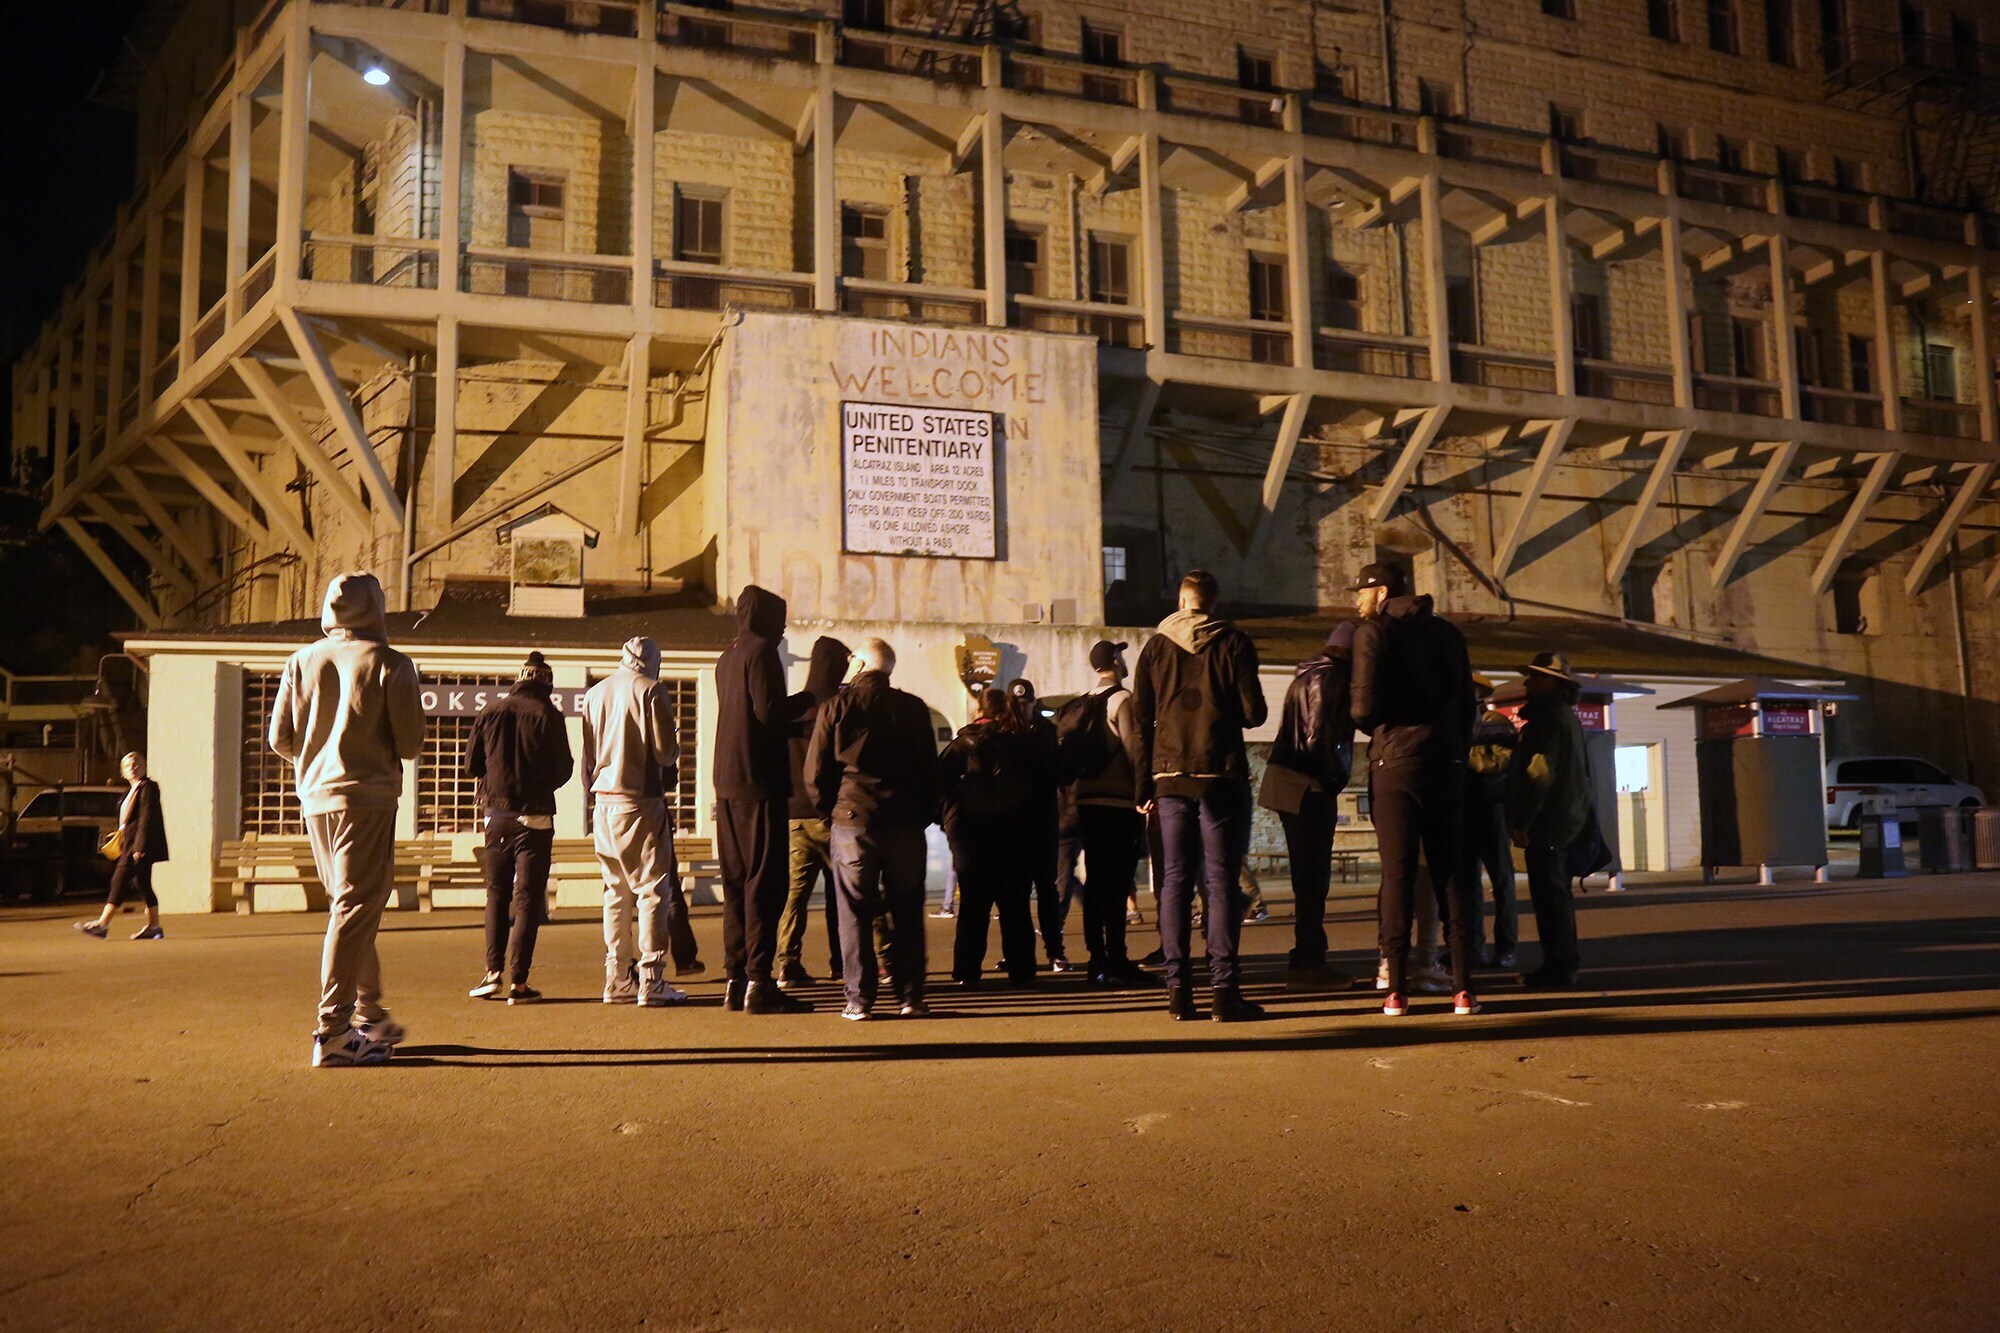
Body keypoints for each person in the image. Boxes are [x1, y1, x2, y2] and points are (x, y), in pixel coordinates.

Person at [268, 572, 423, 1068]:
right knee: (356, 908)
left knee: (349, 907)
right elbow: (412, 744)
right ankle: (333, 1031)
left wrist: (313, 761)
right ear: (376, 606)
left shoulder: (302, 659)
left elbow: (279, 738)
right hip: (368, 795)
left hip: (316, 797)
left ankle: (371, 1014)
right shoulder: (391, 663)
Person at [1133, 570, 1268, 1023]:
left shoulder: (1155, 647)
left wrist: (1142, 783)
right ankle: (1224, 991)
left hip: (1168, 776)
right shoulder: (1233, 642)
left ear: (1181, 600)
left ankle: (1178, 993)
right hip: (1220, 776)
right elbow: (1254, 712)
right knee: (1220, 883)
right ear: (1213, 602)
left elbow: (1140, 719)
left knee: (1173, 882)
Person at [1349, 562, 1481, 1018]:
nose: (1357, 601)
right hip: (1445, 762)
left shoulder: (1373, 632)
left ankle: (1397, 990)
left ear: (1382, 592)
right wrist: (1455, 753)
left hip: (1395, 763)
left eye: (1362, 593)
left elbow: (1363, 711)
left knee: (1398, 875)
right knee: (1450, 875)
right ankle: (1463, 988)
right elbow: (1468, 703)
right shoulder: (1449, 635)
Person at [805, 638, 941, 1021]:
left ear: (862, 664)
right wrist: (924, 813)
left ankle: (859, 999)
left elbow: (815, 773)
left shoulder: (836, 707)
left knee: (854, 912)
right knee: (908, 910)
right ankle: (911, 995)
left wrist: (830, 814)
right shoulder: (913, 708)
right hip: (904, 824)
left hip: (853, 819)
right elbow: (930, 768)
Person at [713, 585, 815, 1015]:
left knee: (735, 884)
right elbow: (768, 714)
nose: (786, 625)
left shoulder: (727, 656)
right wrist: (807, 705)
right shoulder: (762, 654)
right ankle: (760, 981)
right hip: (760, 784)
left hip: (727, 782)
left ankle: (734, 979)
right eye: (782, 617)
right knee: (764, 884)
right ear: (770, 619)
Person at [582, 636, 691, 1009]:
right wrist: (675, 742)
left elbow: (588, 753)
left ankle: (617, 978)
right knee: (652, 890)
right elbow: (663, 751)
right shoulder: (652, 690)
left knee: (615, 892)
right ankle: (652, 977)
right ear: (653, 661)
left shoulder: (595, 693)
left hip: (602, 802)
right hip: (640, 800)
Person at [464, 651, 573, 1005]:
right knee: (527, 899)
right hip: (536, 818)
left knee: (496, 893)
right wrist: (540, 784)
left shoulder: (490, 711)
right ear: (546, 684)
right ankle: (519, 983)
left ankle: (491, 973)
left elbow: (471, 764)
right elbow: (564, 769)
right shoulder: (549, 715)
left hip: (496, 815)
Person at [1258, 622, 1357, 989]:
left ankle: (1309, 959)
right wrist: (1332, 781)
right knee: (1313, 879)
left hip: (1290, 780)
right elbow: (1319, 736)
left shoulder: (1306, 674)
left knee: (1307, 879)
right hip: (1308, 785)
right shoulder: (1330, 679)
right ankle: (1308, 963)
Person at [1060, 639, 1155, 987]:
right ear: (1115, 660)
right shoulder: (1121, 699)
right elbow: (1135, 750)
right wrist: (1145, 791)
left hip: (1086, 802)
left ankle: (1095, 959)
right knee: (1117, 884)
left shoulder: (1082, 703)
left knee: (1096, 882)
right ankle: (1117, 958)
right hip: (1117, 805)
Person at [941, 687, 1039, 988]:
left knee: (973, 906)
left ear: (978, 711)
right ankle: (1022, 971)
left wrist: (949, 821)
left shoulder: (961, 745)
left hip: (971, 835)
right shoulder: (1019, 744)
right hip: (1014, 833)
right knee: (1016, 907)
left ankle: (967, 971)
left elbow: (938, 785)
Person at [1507, 652, 1593, 989]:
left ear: (1551, 682)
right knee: (1557, 896)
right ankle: (1561, 963)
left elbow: (1538, 775)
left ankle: (1558, 967)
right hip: (1565, 819)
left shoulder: (1547, 721)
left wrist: (1522, 821)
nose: (1527, 683)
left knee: (1550, 896)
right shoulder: (1566, 718)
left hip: (1549, 822)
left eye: (1534, 677)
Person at [778, 635, 851, 990]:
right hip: (831, 813)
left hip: (793, 813)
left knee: (795, 895)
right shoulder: (840, 706)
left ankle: (788, 963)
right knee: (847, 892)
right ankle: (845, 962)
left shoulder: (792, 707)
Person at [1007, 678, 1074, 973]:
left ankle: (1055, 951)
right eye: (1018, 703)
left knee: (1047, 891)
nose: (1023, 708)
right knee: (1017, 893)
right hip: (1014, 823)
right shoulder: (1002, 733)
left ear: (1033, 702)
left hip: (1042, 821)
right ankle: (1021, 956)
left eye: (1026, 702)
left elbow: (1063, 775)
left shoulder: (1048, 733)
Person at [72, 751, 167, 941]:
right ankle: (154, 927)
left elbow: (147, 818)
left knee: (119, 880)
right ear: (122, 772)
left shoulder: (148, 787)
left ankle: (102, 924)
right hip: (128, 843)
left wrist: (140, 846)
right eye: (128, 765)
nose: (133, 767)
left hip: (137, 846)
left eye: (137, 763)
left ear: (145, 766)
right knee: (142, 883)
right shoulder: (129, 791)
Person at [1466, 676, 1520, 969]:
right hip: (1464, 810)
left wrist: (1469, 763)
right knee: (1467, 884)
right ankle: (1473, 947)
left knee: (1502, 882)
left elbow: (1506, 759)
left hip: (1491, 808)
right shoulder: (1455, 721)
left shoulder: (1496, 722)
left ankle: (1507, 947)